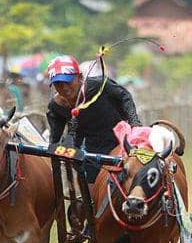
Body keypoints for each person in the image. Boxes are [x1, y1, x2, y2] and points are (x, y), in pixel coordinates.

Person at [45, 54, 141, 186]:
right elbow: (54, 142)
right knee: (91, 190)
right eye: (58, 84)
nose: (64, 88)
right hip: (89, 152)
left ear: (79, 77)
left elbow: (125, 96)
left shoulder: (99, 86)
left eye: (68, 81)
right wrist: (66, 151)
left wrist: (135, 123)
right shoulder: (56, 107)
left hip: (120, 140)